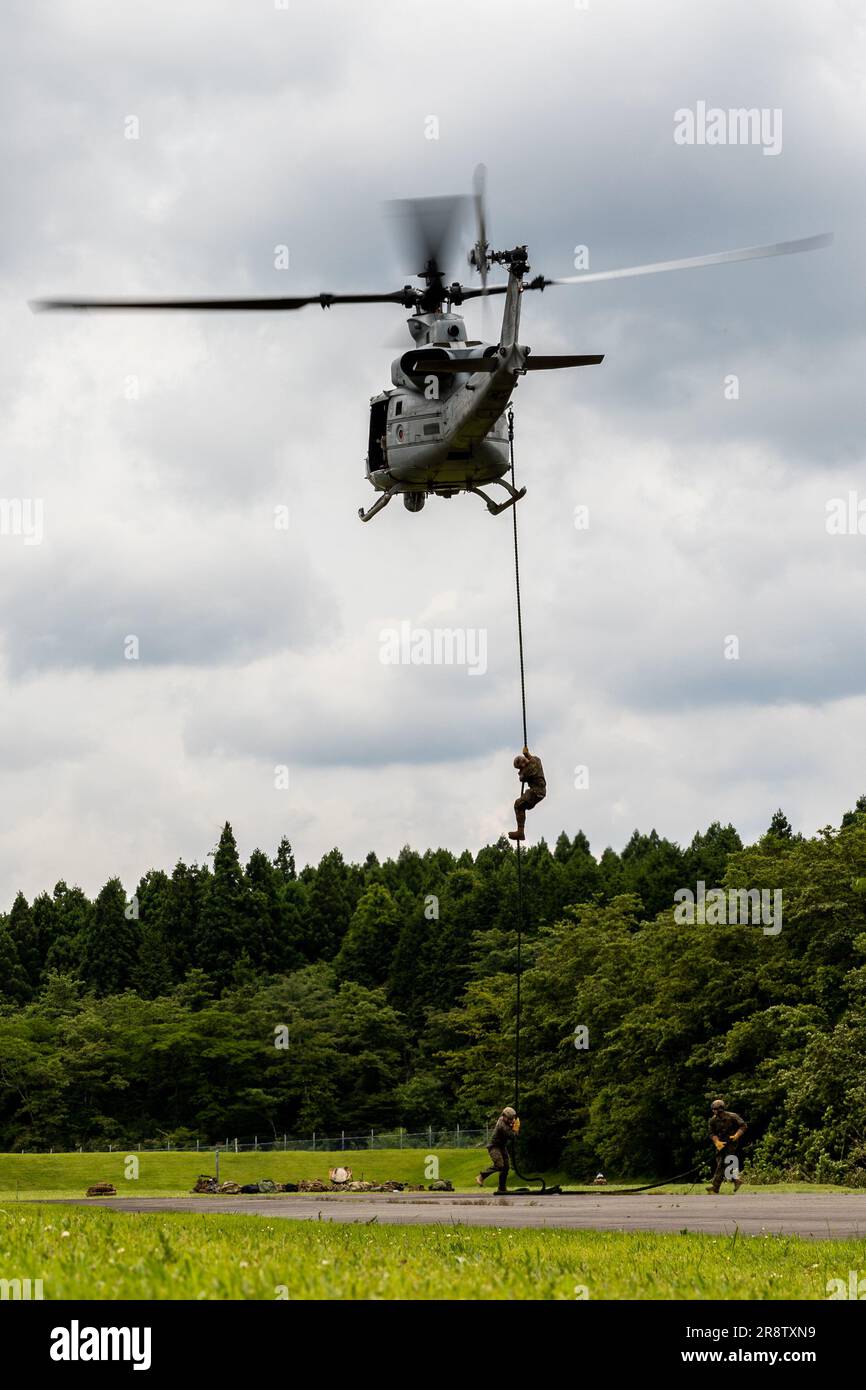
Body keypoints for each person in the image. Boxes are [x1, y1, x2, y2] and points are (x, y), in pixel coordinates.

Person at [707, 1097, 747, 1193]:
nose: (714, 1111)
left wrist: (737, 1135)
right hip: (721, 1144)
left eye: (715, 1109)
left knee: (723, 1163)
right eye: (713, 1109)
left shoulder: (732, 1116)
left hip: (731, 1143)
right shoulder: (713, 1120)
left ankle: (715, 1186)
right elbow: (711, 1133)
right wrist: (716, 1142)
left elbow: (743, 1126)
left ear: (721, 1109)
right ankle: (736, 1180)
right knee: (721, 1163)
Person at [476, 1106, 520, 1194]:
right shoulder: (501, 1124)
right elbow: (512, 1136)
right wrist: (516, 1128)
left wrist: (514, 1125)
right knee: (499, 1165)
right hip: (494, 1146)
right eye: (510, 1119)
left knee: (506, 1167)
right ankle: (481, 1176)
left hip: (502, 1146)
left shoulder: (507, 1122)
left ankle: (502, 1188)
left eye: (512, 1119)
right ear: (504, 1116)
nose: (511, 1120)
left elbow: (512, 1130)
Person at [509, 746, 546, 841]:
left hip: (536, 792)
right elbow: (531, 763)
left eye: (522, 764)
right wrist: (527, 755)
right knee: (521, 805)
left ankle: (520, 832)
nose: (523, 765)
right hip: (537, 792)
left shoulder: (530, 767)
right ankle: (520, 831)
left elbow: (522, 778)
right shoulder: (536, 760)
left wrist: (527, 756)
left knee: (518, 805)